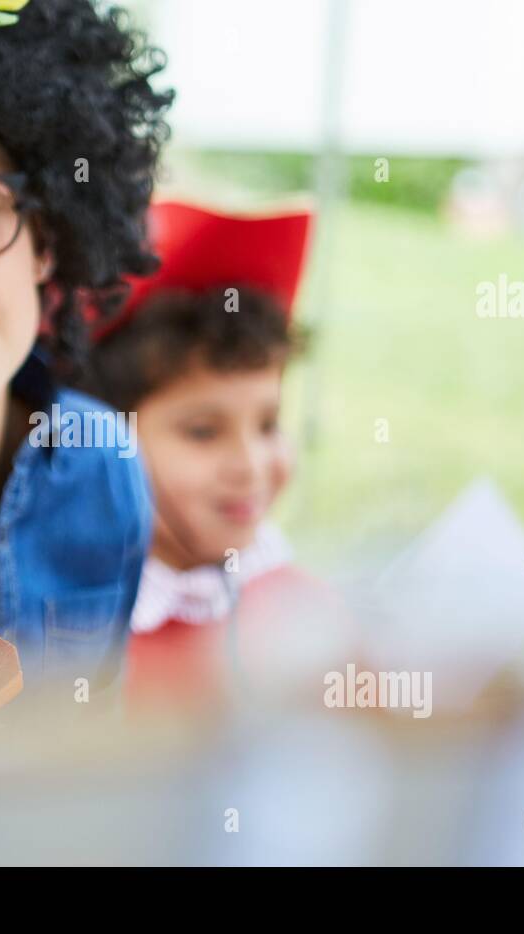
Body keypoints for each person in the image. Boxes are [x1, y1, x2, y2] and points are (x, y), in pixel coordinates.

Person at [88, 200, 339, 714]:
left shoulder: (305, 612)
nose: (250, 466)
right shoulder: (70, 633)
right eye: (203, 432)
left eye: (268, 425)